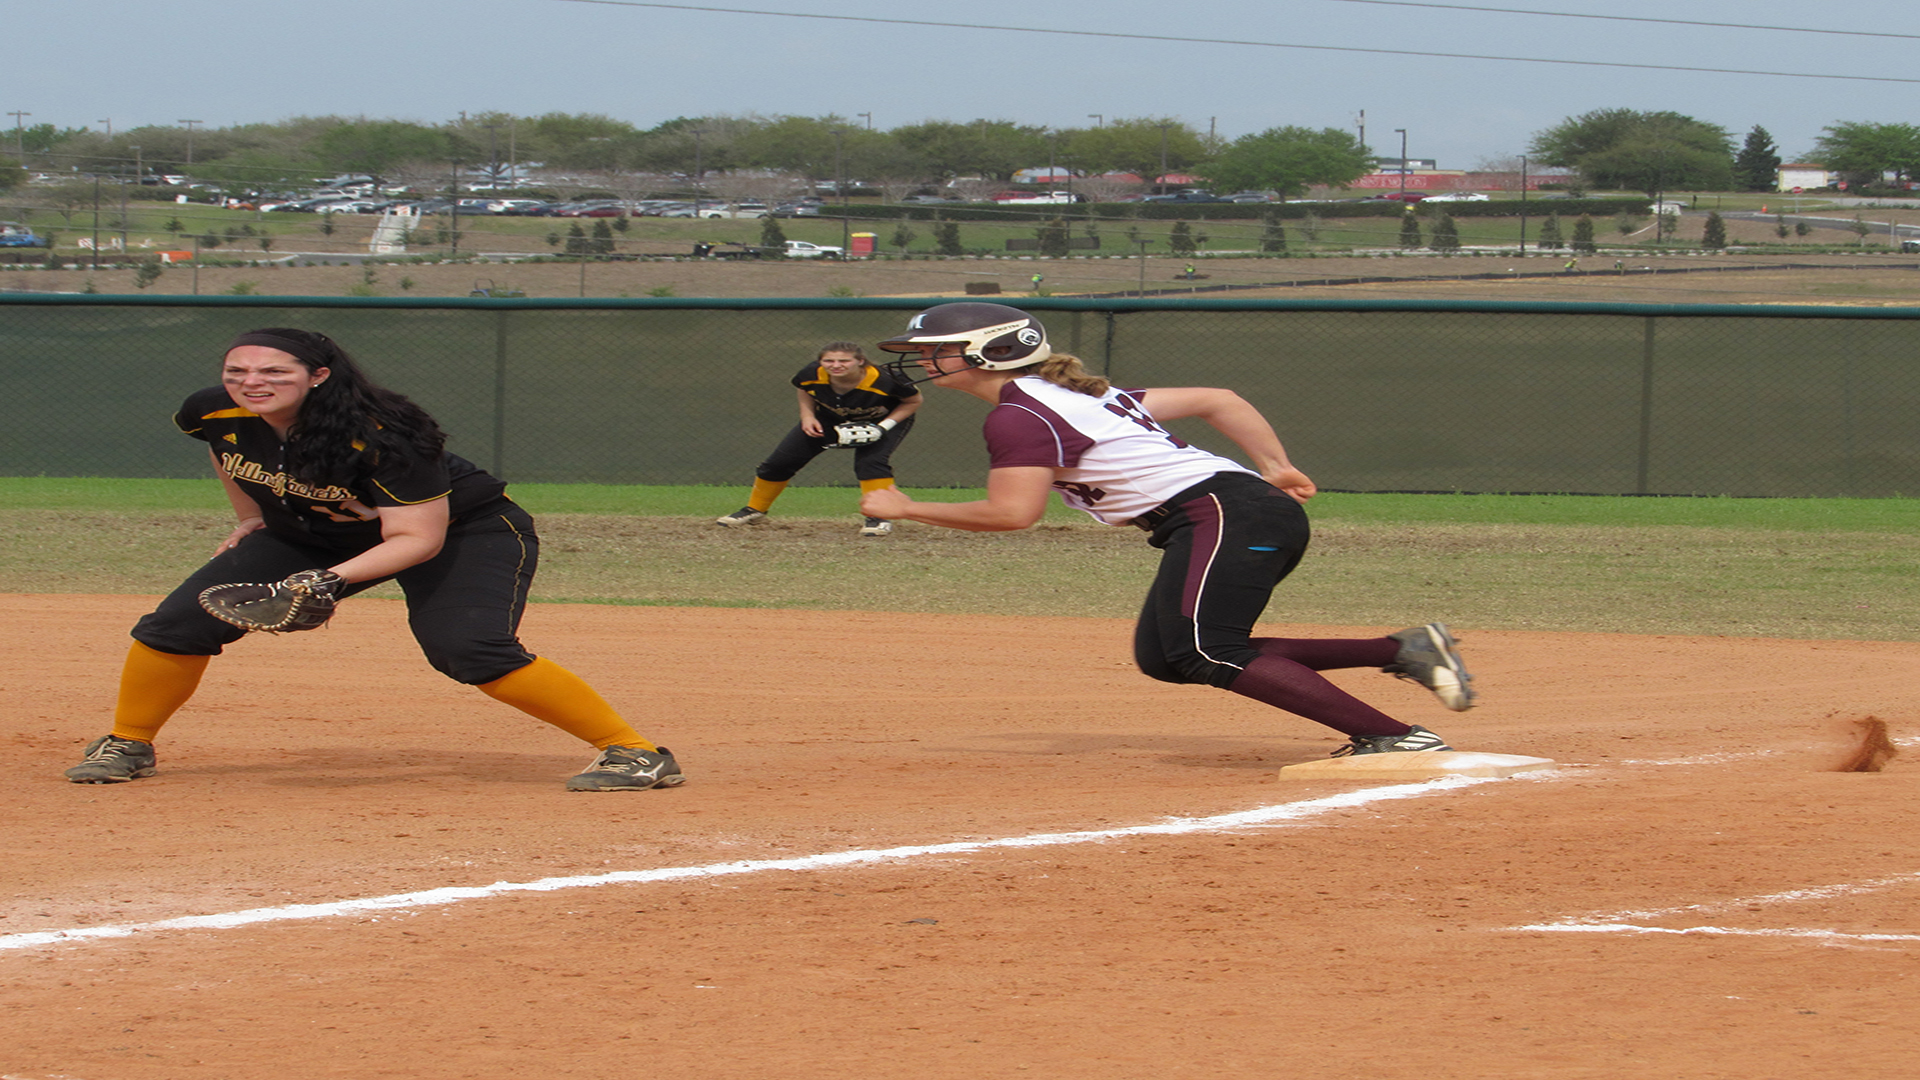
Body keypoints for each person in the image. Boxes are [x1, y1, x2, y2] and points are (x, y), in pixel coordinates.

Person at [63, 328, 685, 792]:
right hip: (309, 529)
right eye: (238, 370)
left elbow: (418, 538)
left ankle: (633, 752)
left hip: (462, 530)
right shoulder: (215, 409)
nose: (251, 382)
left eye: (273, 371)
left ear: (319, 376)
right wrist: (250, 518)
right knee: (176, 625)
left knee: (467, 648)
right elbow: (225, 450)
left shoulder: (384, 435)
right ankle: (128, 744)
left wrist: (324, 582)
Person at [860, 302, 1475, 758]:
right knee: (1169, 658)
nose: (919, 359)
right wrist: (1275, 465)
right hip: (1225, 513)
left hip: (1223, 514)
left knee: (1207, 649)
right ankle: (1403, 651)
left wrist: (909, 508)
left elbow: (1013, 514)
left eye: (933, 348)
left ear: (987, 353)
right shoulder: (1068, 397)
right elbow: (1220, 399)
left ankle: (1394, 737)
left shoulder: (1023, 416)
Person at [716, 341, 922, 537]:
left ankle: (879, 518)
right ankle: (755, 510)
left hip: (884, 420)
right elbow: (805, 388)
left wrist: (883, 427)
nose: (836, 365)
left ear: (860, 361)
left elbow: (913, 400)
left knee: (871, 463)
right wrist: (807, 416)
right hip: (828, 418)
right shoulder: (813, 373)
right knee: (779, 463)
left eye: (844, 361)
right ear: (820, 362)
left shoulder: (884, 379)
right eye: (829, 361)